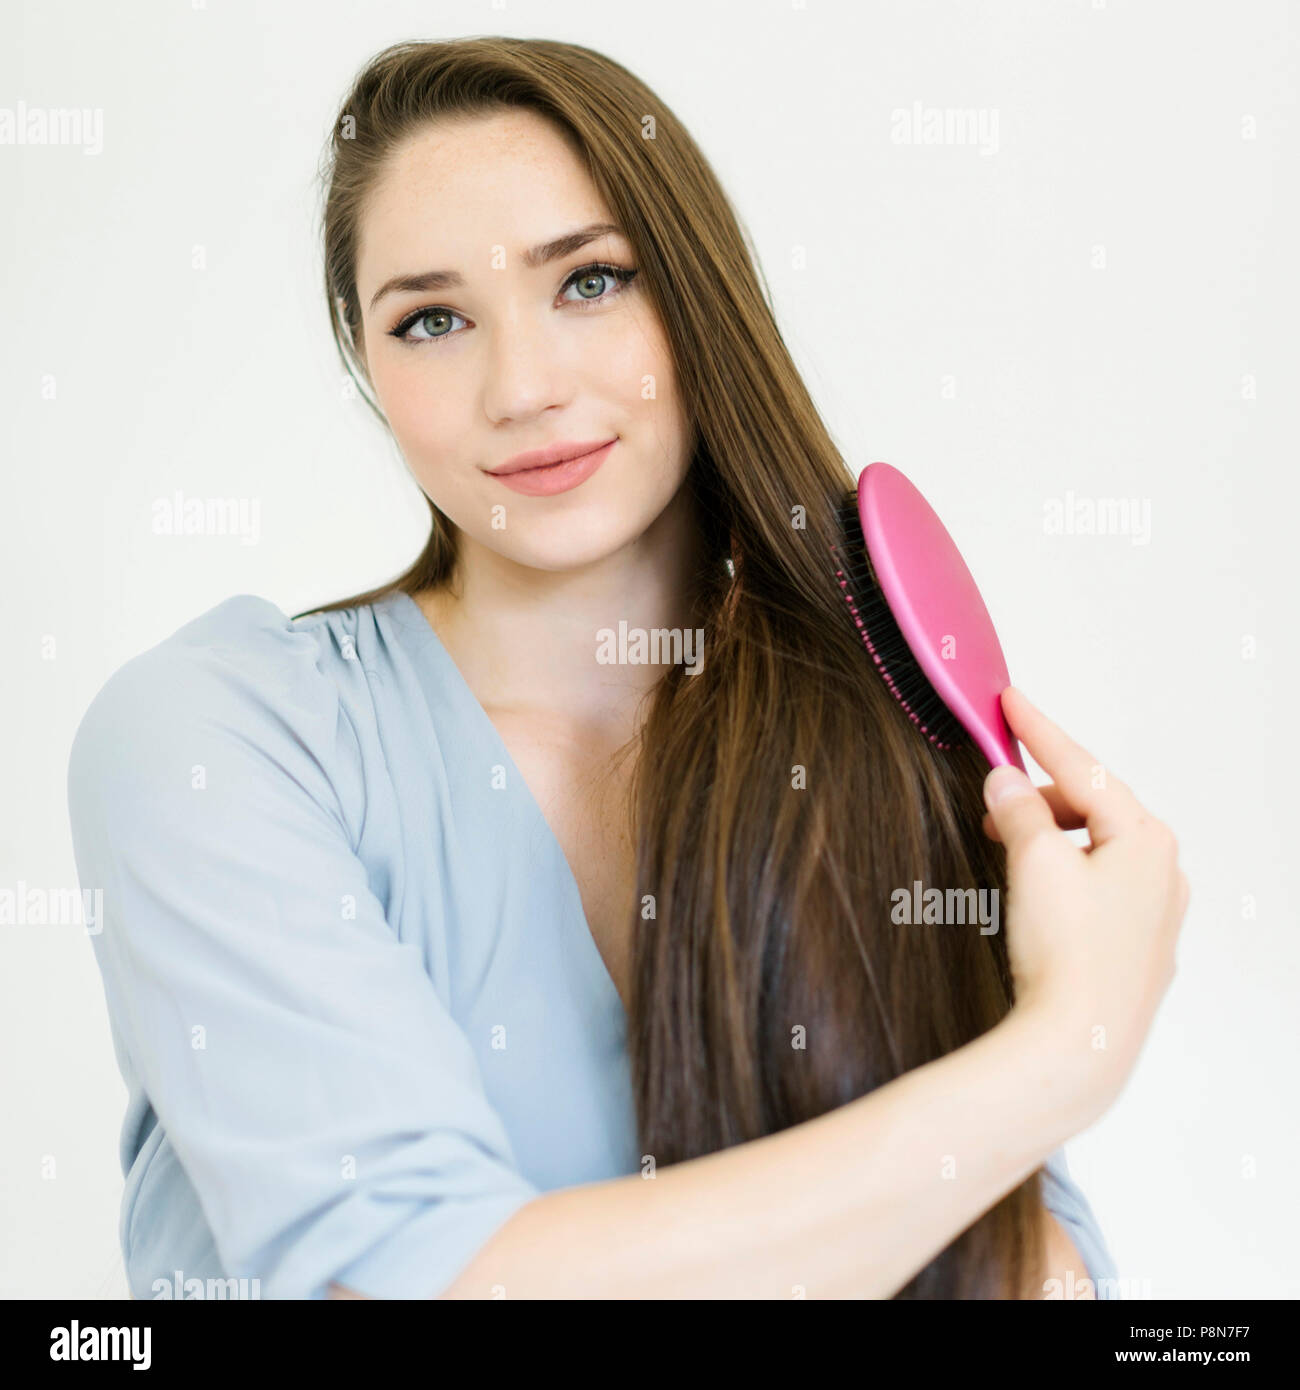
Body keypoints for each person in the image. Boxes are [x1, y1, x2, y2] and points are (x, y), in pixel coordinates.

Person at [66, 37, 1187, 1300]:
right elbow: (424, 1282)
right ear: (368, 371)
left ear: (698, 301)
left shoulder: (874, 743)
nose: (524, 386)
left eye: (590, 281)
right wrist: (1064, 1053)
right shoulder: (218, 738)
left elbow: (1023, 1277)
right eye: (432, 319)